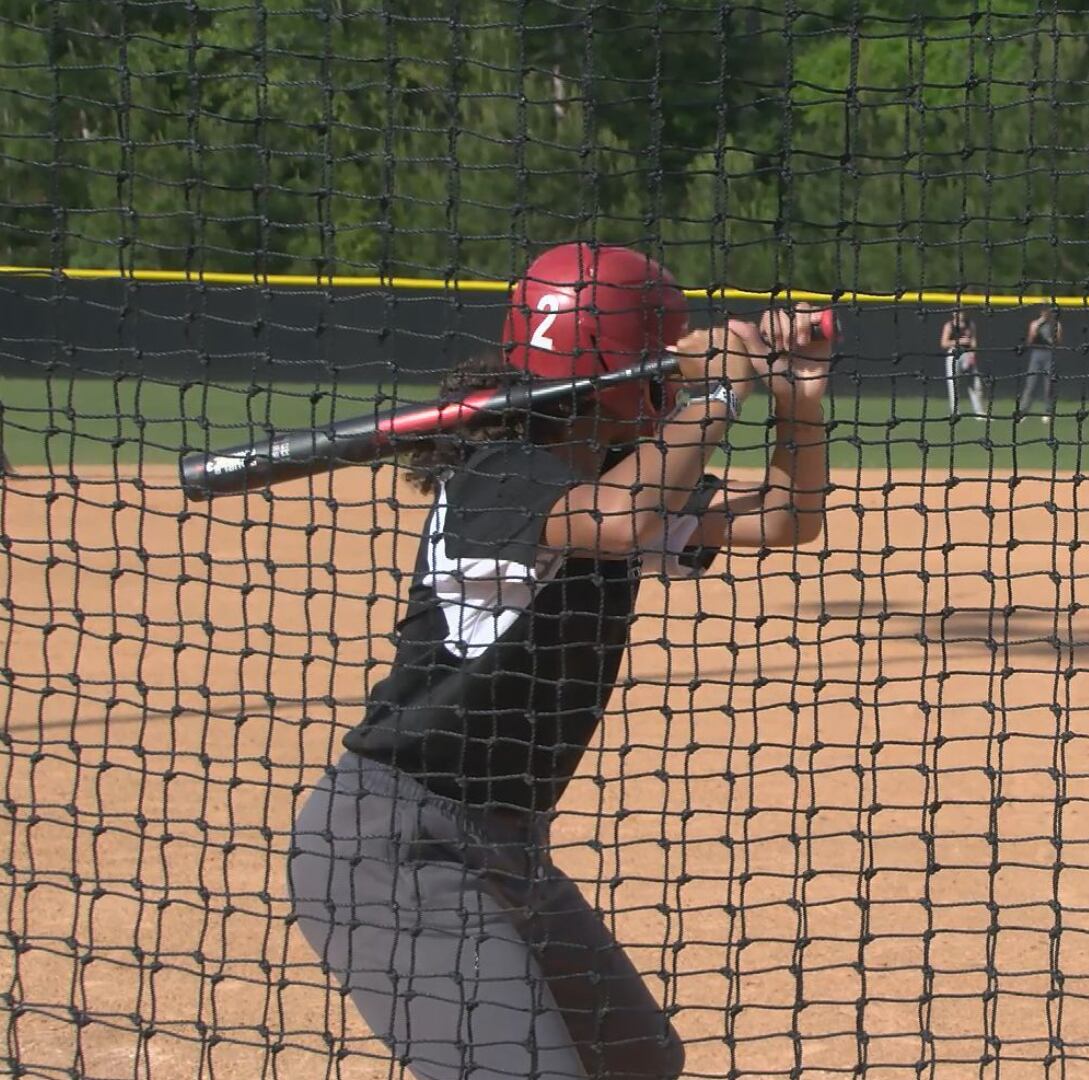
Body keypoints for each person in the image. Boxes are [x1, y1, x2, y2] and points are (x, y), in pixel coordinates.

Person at [286, 242, 833, 1080]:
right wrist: (721, 389)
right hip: (395, 847)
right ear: (624, 373)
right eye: (664, 360)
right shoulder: (498, 473)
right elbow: (619, 523)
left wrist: (797, 399)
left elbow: (787, 518)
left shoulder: (616, 472)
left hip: (505, 842)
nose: (675, 382)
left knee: (633, 1061)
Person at [1015, 305, 1063, 422]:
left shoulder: (1055, 324)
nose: (1045, 313)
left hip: (1049, 354)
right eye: (1043, 310)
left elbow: (1059, 340)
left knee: (1049, 385)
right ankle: (1023, 411)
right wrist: (1036, 329)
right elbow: (1030, 340)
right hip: (1036, 353)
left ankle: (1048, 411)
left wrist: (1053, 340)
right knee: (1030, 384)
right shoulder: (1035, 323)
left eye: (1047, 310)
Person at [939, 307, 987, 418]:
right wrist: (958, 341)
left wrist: (973, 353)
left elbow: (974, 341)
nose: (960, 314)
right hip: (954, 354)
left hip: (967, 353)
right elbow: (943, 343)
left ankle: (979, 412)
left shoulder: (970, 324)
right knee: (953, 383)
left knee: (975, 383)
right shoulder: (949, 325)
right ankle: (955, 411)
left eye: (962, 311)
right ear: (953, 313)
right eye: (958, 311)